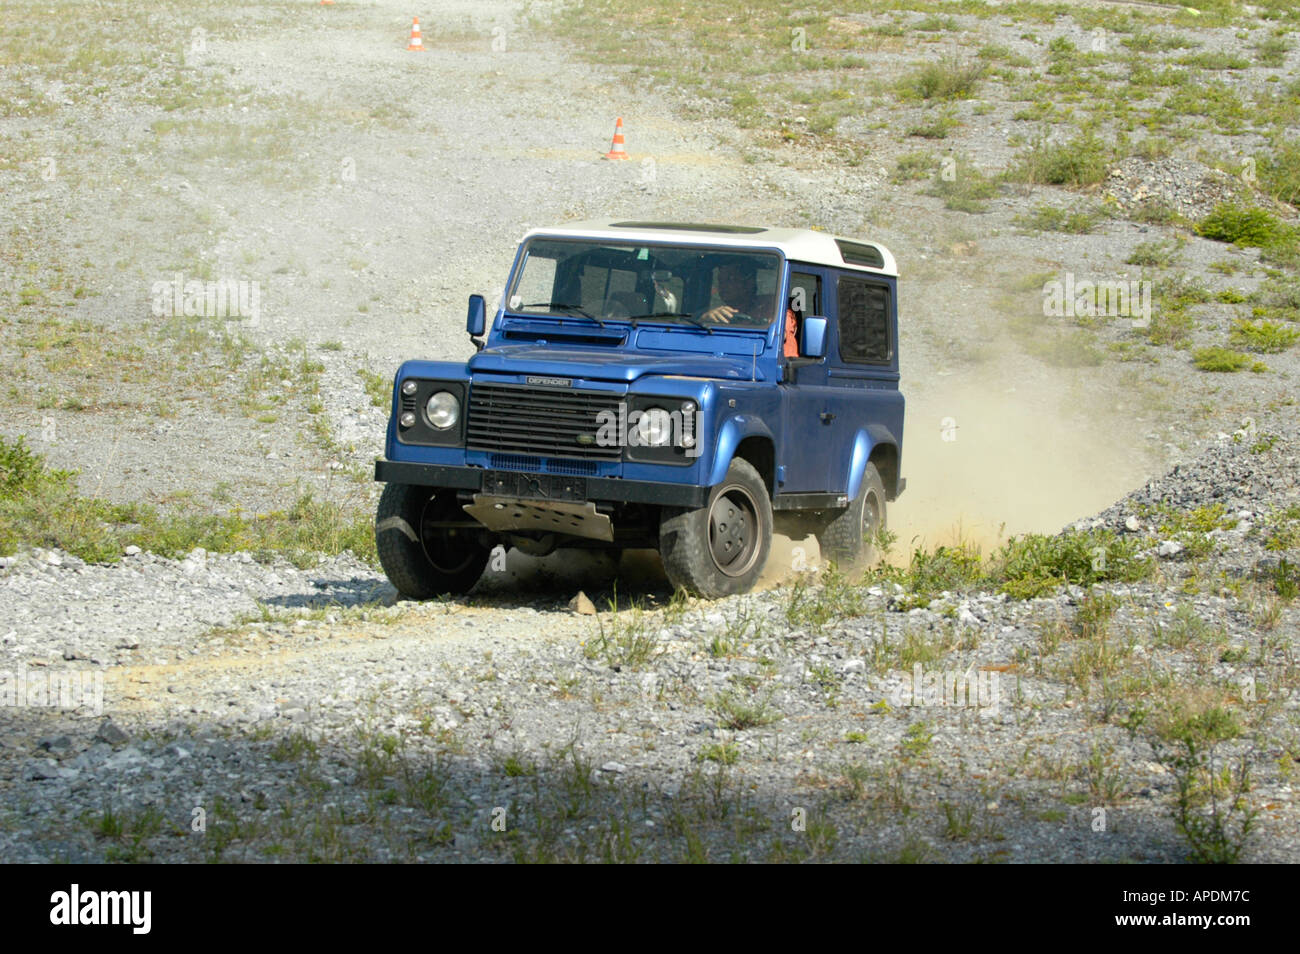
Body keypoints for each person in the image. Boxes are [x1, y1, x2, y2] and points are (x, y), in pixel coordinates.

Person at [702, 260, 800, 358]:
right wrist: (705, 320)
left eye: (730, 279)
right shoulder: (720, 313)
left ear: (749, 282)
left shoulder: (774, 308)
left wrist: (763, 325)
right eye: (720, 281)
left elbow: (781, 334)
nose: (723, 286)